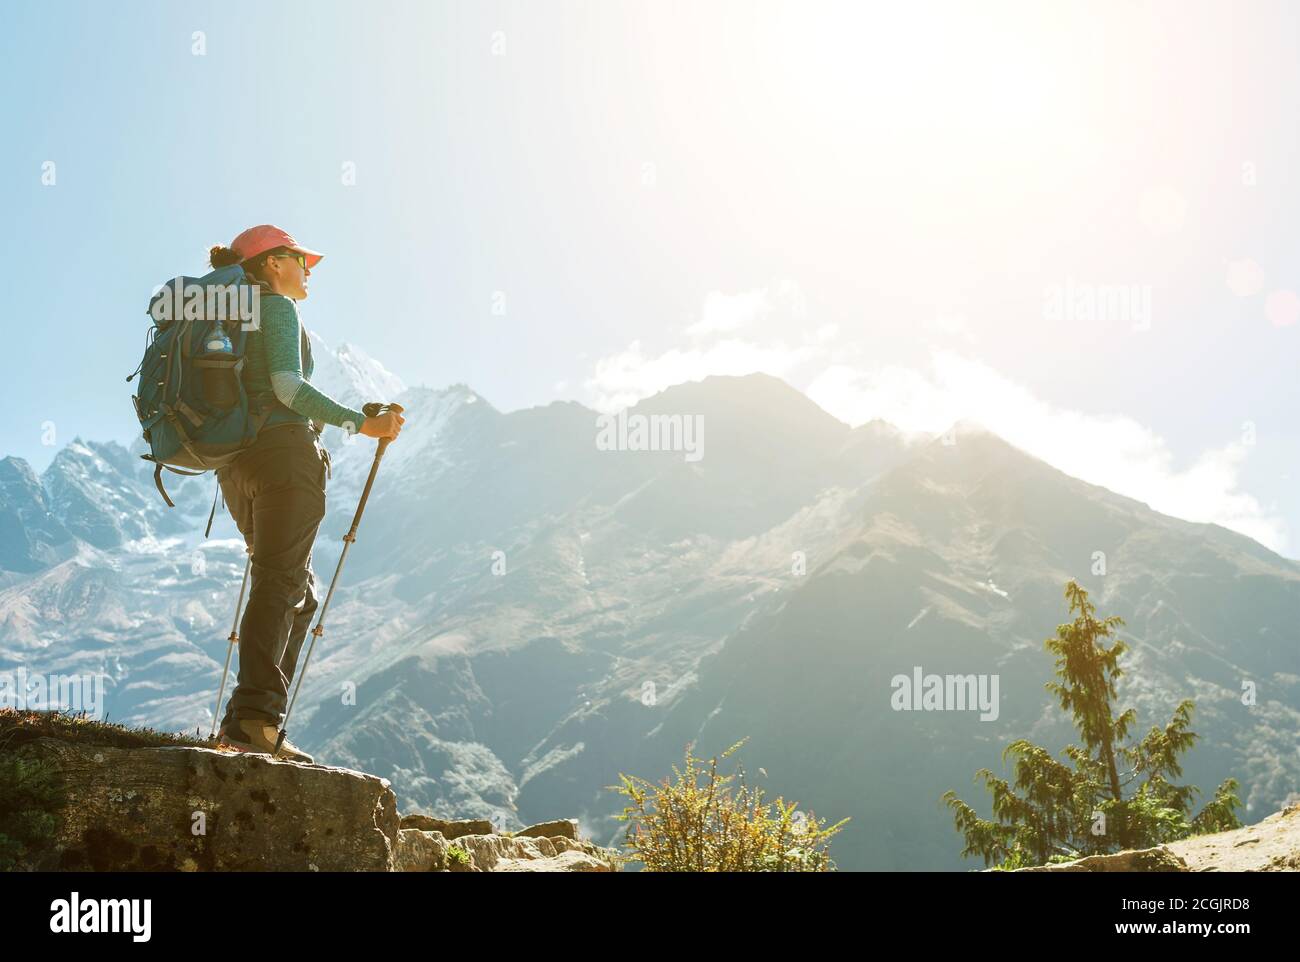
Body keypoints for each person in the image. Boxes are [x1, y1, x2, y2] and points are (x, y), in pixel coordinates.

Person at [208, 224, 405, 763]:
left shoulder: (228, 315)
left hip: (236, 470)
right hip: (284, 461)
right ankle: (254, 721)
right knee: (281, 583)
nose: (308, 270)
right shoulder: (275, 308)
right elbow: (288, 389)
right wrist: (357, 424)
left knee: (295, 589)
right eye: (301, 259)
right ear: (273, 263)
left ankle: (247, 721)